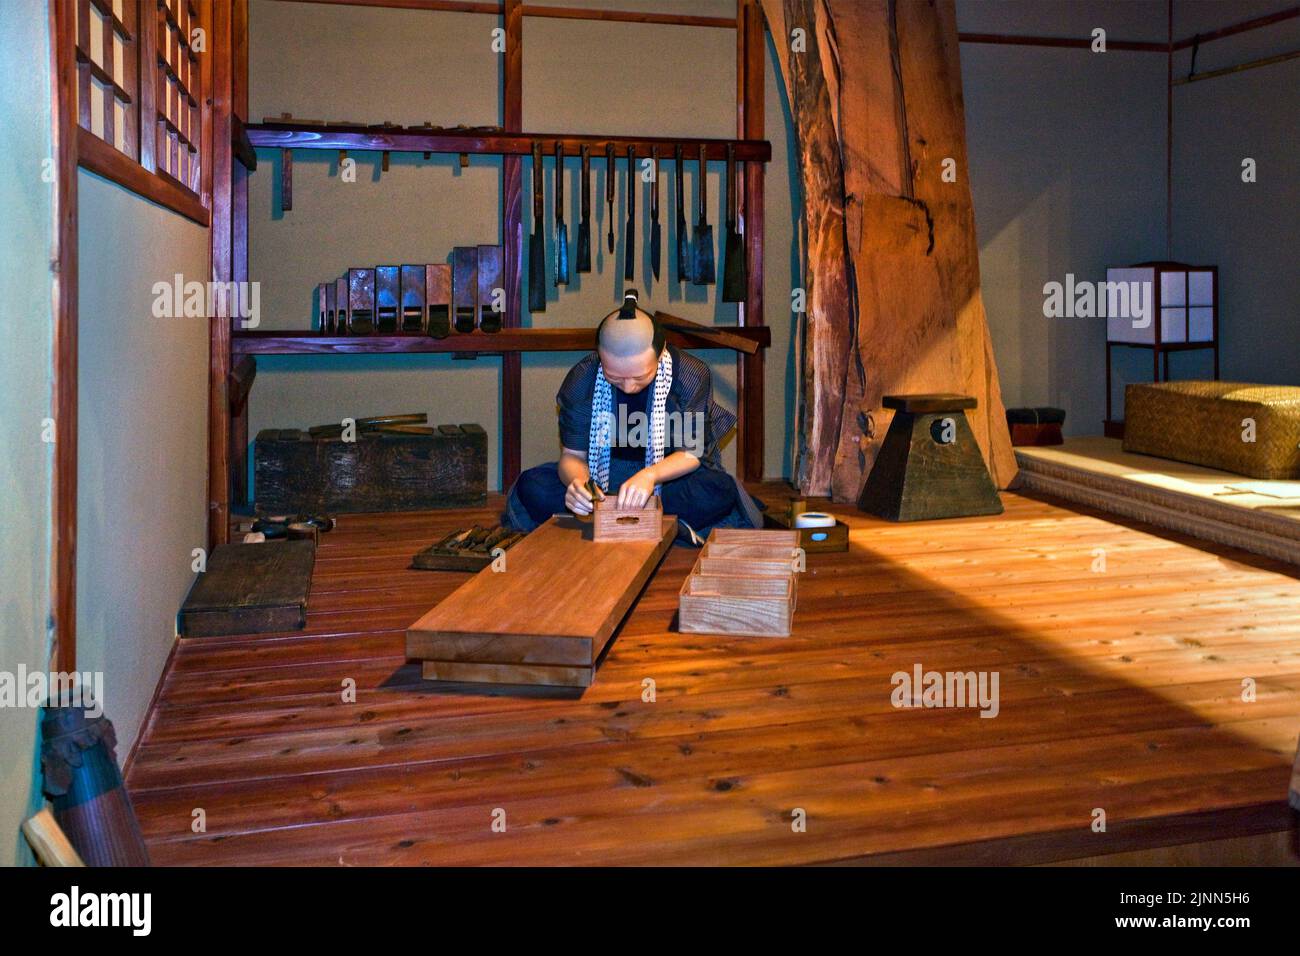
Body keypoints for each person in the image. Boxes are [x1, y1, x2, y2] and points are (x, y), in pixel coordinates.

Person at [504, 290, 762, 543]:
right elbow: (573, 456)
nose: (628, 387)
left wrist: (649, 476)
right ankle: (642, 518)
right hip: (603, 480)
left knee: (717, 490)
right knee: (533, 485)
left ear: (660, 355)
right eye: (614, 376)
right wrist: (579, 485)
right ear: (599, 357)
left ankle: (620, 517)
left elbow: (690, 454)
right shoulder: (583, 378)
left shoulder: (689, 375)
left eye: (640, 377)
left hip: (666, 478)